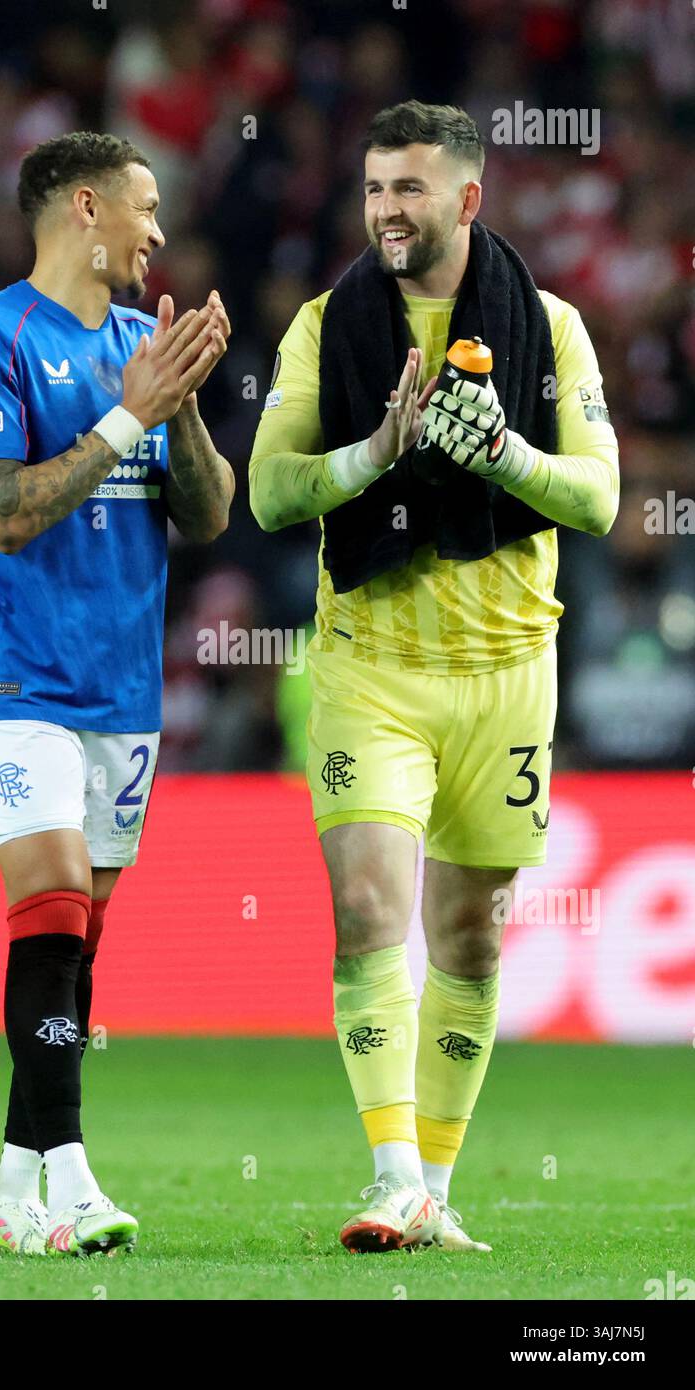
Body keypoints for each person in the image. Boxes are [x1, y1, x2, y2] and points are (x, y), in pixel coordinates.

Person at [249, 101, 618, 1253]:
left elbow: (601, 499)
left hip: (508, 669)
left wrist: (501, 450)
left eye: (408, 189)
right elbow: (269, 493)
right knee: (367, 912)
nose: (385, 211)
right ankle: (391, 1174)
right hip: (374, 665)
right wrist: (377, 453)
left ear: (467, 199)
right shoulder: (326, 326)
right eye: (371, 189)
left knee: (470, 937)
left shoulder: (550, 328)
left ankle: (436, 1191)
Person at [0, 131, 233, 1258]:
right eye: (147, 209)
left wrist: (180, 404)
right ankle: (73, 1176)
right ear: (88, 208)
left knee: (76, 940)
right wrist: (124, 417)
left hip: (123, 684)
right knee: (53, 902)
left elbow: (206, 517)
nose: (160, 233)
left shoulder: (135, 346)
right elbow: (4, 511)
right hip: (17, 670)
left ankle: (13, 1181)